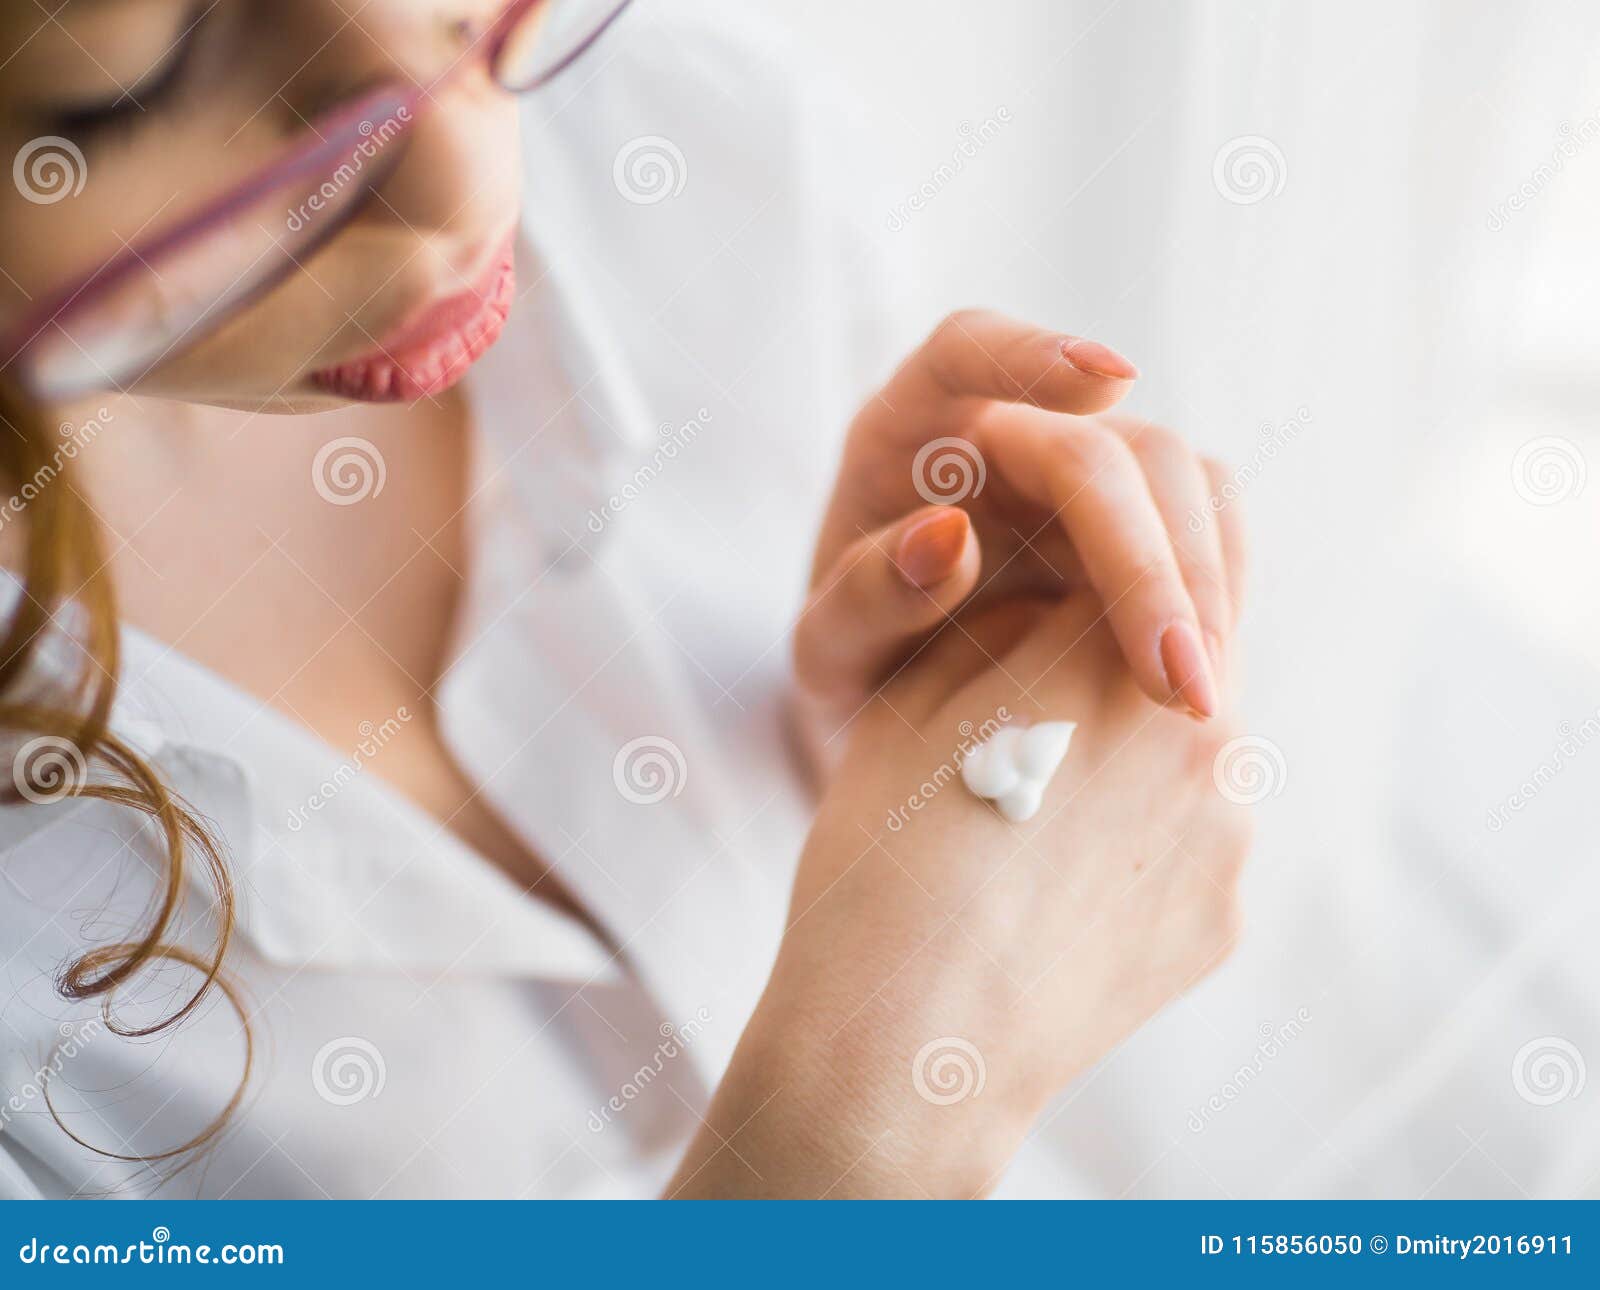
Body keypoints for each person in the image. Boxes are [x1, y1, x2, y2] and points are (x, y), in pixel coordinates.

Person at [0, 0, 1249, 1198]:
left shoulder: (698, 135)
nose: (458, 176)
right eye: (127, 85)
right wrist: (861, 1136)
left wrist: (867, 748)